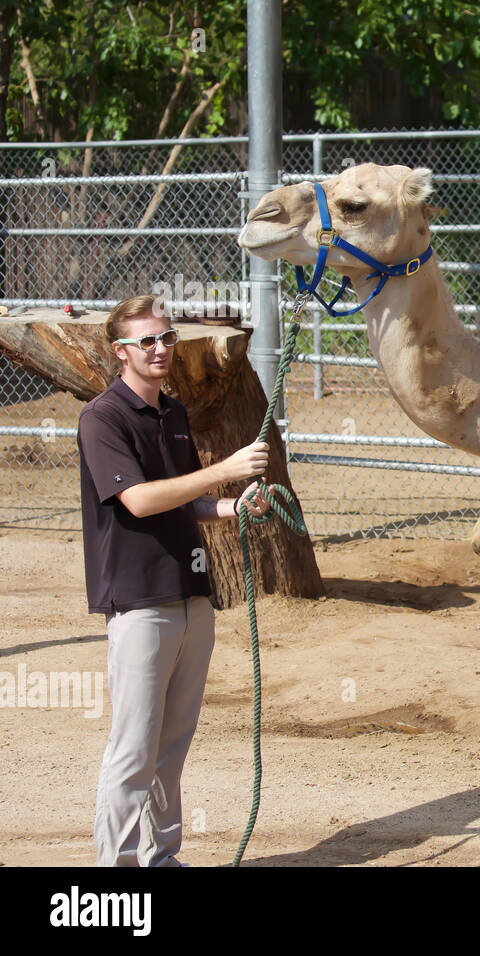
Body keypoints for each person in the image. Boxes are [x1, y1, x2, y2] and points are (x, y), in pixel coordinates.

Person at [78, 293, 271, 867]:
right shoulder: (102, 417)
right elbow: (138, 501)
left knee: (171, 748)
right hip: (140, 601)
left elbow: (184, 503)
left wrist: (232, 506)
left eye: (166, 337)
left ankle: (162, 860)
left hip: (192, 595)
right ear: (121, 352)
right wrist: (227, 469)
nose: (161, 349)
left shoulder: (173, 411)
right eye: (147, 341)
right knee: (133, 750)